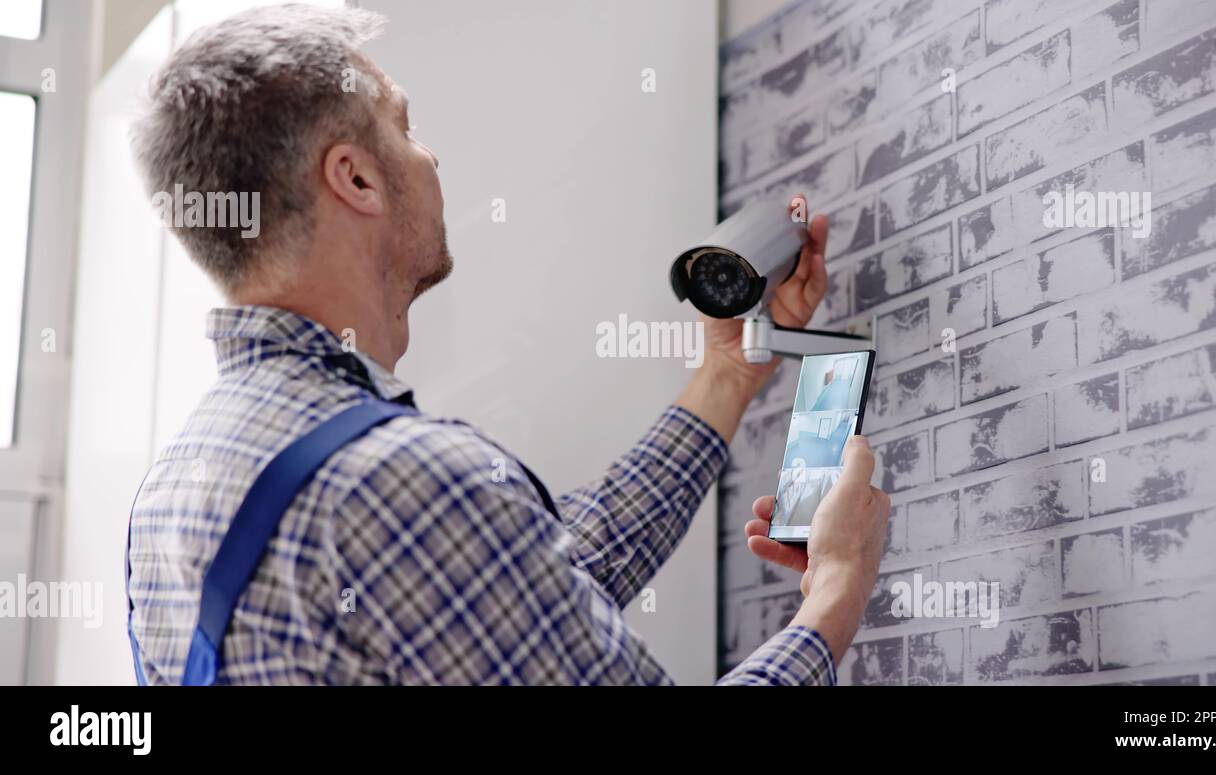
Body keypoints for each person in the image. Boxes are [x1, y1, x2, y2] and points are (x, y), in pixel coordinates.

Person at [125, 3, 891, 685]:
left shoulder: (174, 485)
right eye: (405, 125)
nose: (431, 156)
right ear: (355, 179)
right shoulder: (401, 482)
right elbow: (471, 544)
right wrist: (839, 585)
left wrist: (724, 374)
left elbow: (530, 586)